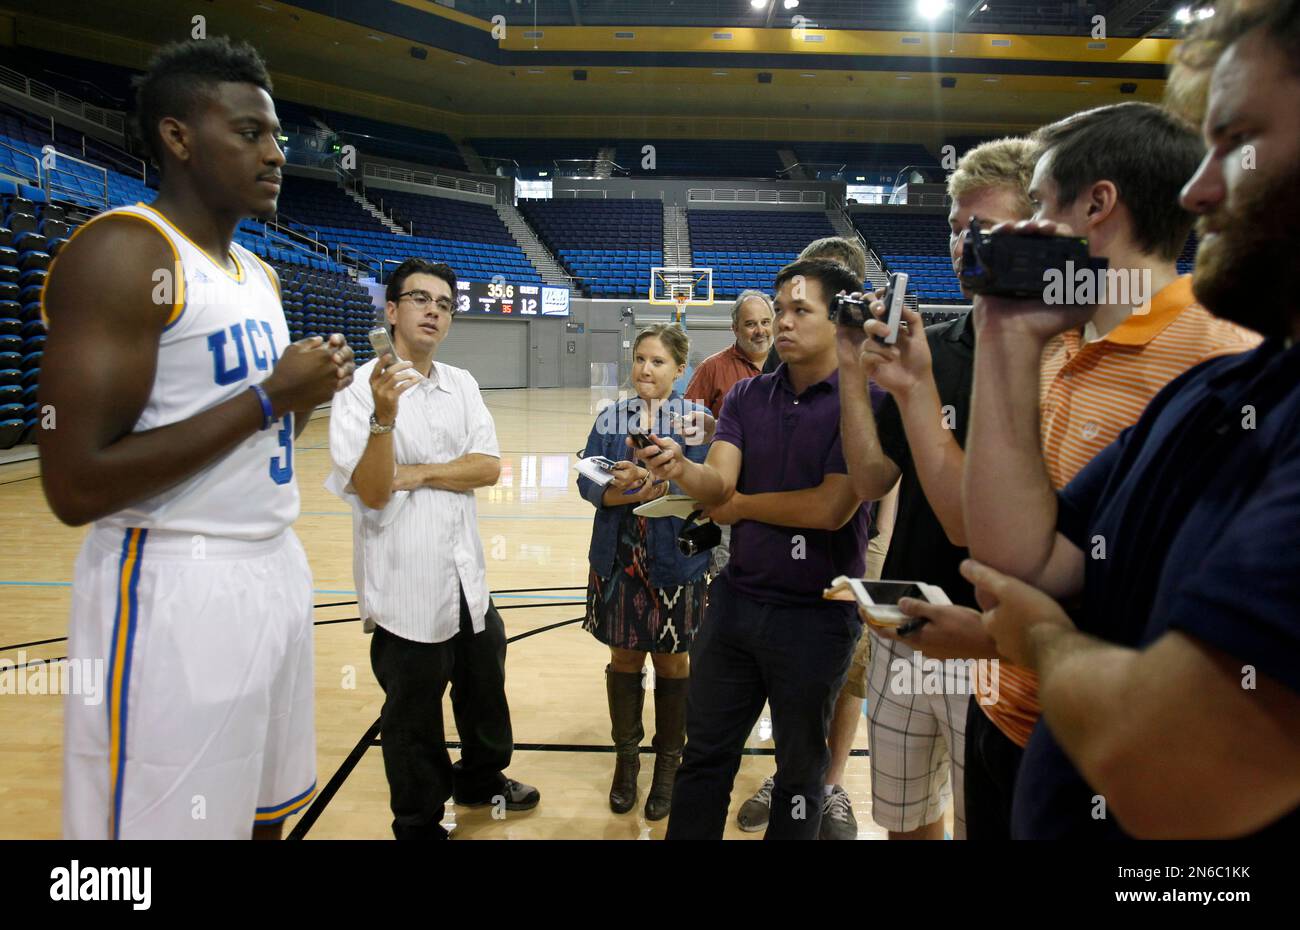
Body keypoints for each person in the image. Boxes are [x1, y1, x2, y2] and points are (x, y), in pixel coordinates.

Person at [937, 0, 1300, 838]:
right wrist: (1005, 335)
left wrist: (1042, 647)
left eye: (1236, 141)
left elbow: (1180, 764)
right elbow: (1024, 555)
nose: (1199, 191)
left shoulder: (1212, 361)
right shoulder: (1221, 395)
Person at [40, 37, 355, 839]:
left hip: (273, 568)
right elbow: (74, 485)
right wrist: (269, 395)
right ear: (178, 137)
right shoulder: (124, 253)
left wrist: (305, 395)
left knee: (264, 814)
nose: (277, 154)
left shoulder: (260, 273)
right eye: (250, 133)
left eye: (276, 135)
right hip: (172, 581)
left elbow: (261, 433)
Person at [836, 137, 1039, 840]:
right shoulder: (939, 347)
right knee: (902, 824)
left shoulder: (1056, 360)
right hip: (907, 624)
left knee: (979, 822)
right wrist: (852, 370)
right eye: (955, 228)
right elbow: (870, 478)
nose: (962, 243)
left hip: (991, 642)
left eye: (983, 227)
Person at [635, 258, 874, 840]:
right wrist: (681, 470)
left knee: (799, 774)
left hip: (817, 615)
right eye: (779, 309)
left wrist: (740, 507)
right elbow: (718, 484)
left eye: (799, 311)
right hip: (737, 605)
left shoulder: (862, 402)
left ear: (841, 318)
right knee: (706, 756)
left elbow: (830, 507)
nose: (782, 323)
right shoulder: (744, 395)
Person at [326, 259, 538, 840]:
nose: (434, 310)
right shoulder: (355, 393)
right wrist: (383, 420)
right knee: (413, 713)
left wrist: (415, 474)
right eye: (420, 299)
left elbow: (489, 467)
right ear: (391, 311)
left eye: (444, 303)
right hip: (405, 584)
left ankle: (480, 779)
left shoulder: (462, 384)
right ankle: (418, 823)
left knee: (484, 687)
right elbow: (371, 490)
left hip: (467, 577)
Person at [733, 235, 892, 839]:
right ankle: (793, 772)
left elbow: (882, 466)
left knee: (848, 670)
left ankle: (831, 785)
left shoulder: (872, 355)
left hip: (865, 529)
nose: (793, 316)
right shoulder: (782, 360)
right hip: (795, 530)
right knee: (797, 666)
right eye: (788, 305)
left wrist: (882, 545)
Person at [578, 323, 712, 821]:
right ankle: (627, 761)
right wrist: (622, 492)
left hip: (675, 561)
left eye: (657, 361)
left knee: (674, 664)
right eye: (639, 359)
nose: (645, 369)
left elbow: (706, 492)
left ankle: (670, 766)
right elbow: (588, 477)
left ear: (681, 369)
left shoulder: (699, 421)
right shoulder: (611, 417)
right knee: (626, 661)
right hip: (619, 559)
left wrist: (656, 482)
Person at [685, 290, 773, 420]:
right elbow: (688, 422)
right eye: (751, 324)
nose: (760, 331)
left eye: (765, 322)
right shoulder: (711, 369)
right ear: (735, 329)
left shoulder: (792, 366)